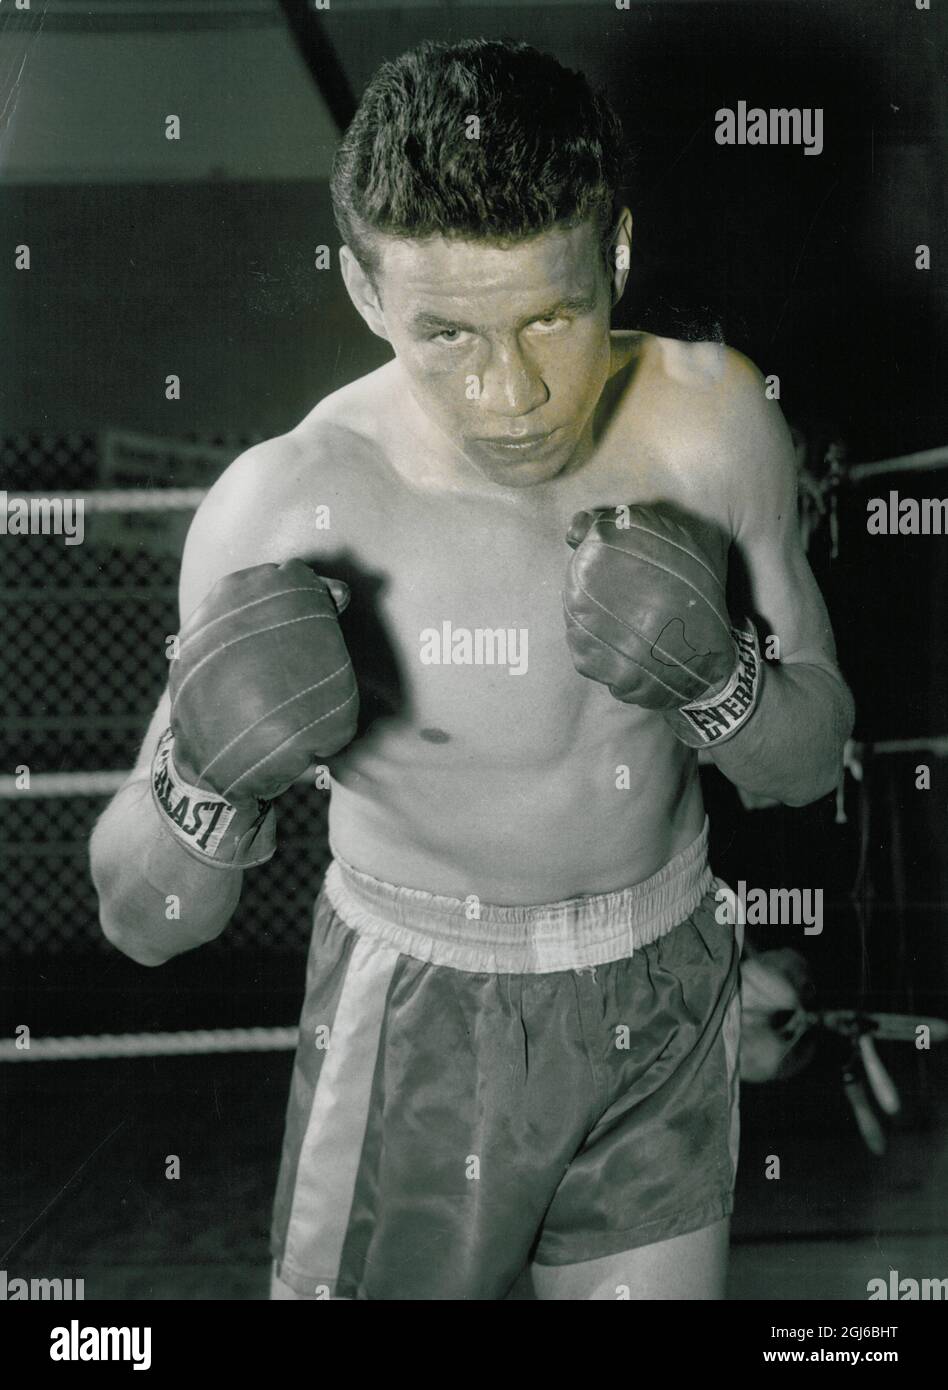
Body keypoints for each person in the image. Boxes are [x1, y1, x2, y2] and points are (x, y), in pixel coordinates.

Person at [90, 38, 854, 1300]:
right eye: (444, 331)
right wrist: (203, 776)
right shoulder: (289, 507)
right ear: (364, 293)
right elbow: (145, 925)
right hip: (419, 1015)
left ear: (614, 254)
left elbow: (812, 756)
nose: (509, 392)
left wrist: (720, 681)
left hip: (660, 981)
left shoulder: (717, 419)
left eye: (551, 315)